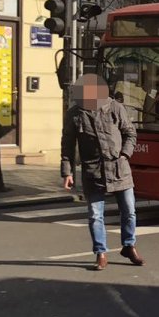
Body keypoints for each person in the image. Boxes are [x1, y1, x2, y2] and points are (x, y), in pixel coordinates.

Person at [61, 74, 145, 271]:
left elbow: (130, 133)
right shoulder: (75, 113)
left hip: (119, 168)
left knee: (129, 211)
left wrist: (125, 154)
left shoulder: (115, 107)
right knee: (95, 215)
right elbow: (67, 144)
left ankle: (128, 245)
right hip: (93, 170)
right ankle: (101, 253)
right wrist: (67, 172)